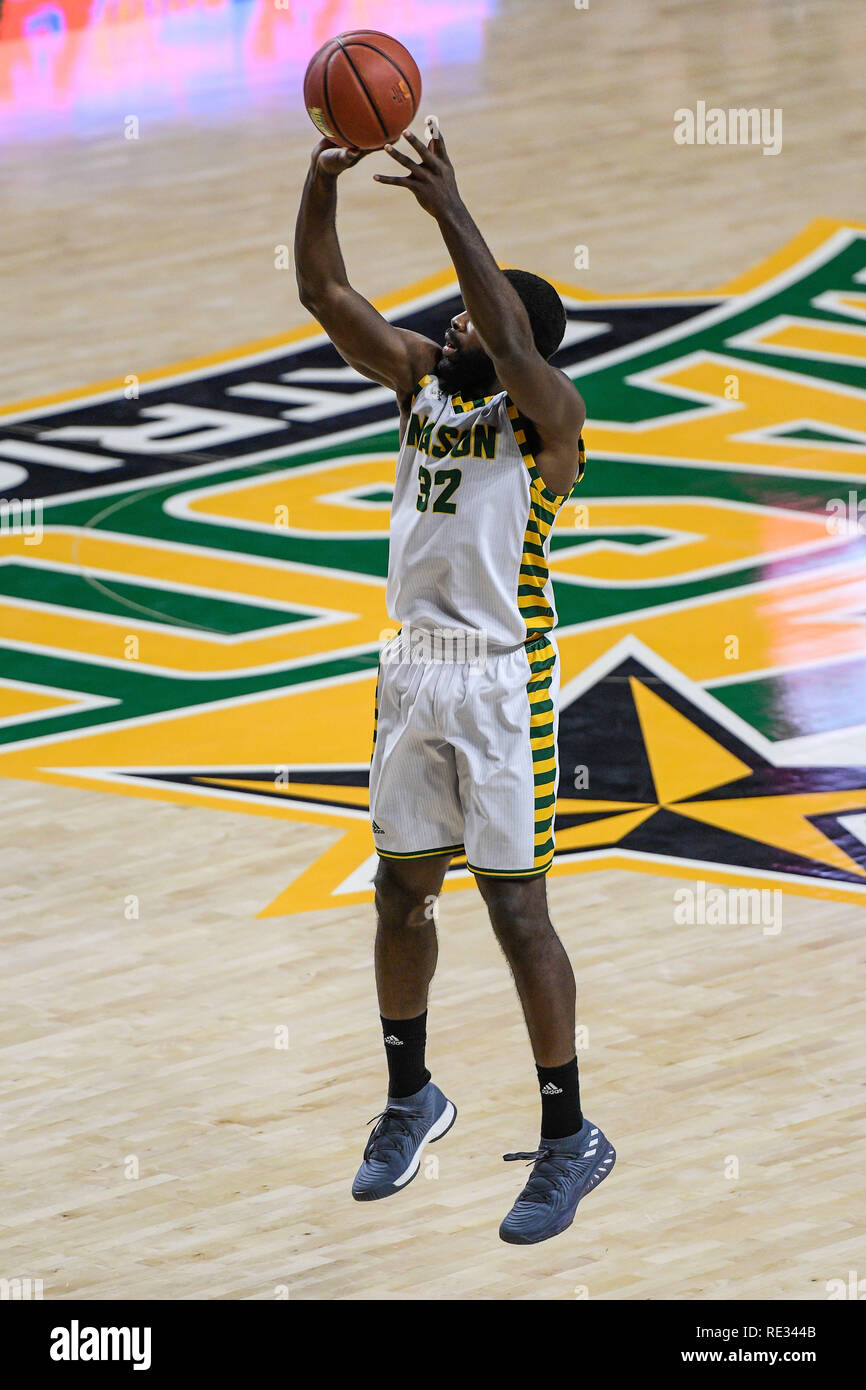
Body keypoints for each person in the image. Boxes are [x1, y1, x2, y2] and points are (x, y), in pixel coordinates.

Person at [294, 118, 614, 1244]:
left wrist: (450, 208)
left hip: (498, 683)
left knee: (516, 910)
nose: (453, 314)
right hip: (408, 676)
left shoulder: (549, 426)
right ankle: (408, 1099)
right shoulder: (423, 386)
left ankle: (570, 1135)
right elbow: (325, 293)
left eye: (475, 309)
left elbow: (523, 354)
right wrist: (320, 181)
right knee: (398, 894)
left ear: (518, 335)